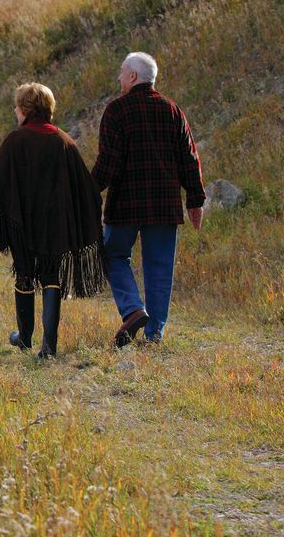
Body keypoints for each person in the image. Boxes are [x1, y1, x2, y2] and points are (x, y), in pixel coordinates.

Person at [0, 83, 105, 358]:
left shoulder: (15, 141)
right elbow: (86, 187)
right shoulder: (63, 141)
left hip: (22, 223)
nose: (15, 111)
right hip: (55, 224)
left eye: (17, 106)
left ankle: (24, 337)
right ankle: (48, 346)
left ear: (25, 109)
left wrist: (6, 211)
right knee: (52, 277)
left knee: (25, 274)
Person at [91, 52, 205, 347]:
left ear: (133, 76)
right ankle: (154, 333)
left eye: (121, 73)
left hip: (126, 205)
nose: (118, 78)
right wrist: (195, 200)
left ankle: (132, 310)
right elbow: (189, 159)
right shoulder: (173, 110)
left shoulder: (116, 111)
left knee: (112, 255)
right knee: (160, 268)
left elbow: (109, 164)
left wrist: (86, 192)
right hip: (164, 204)